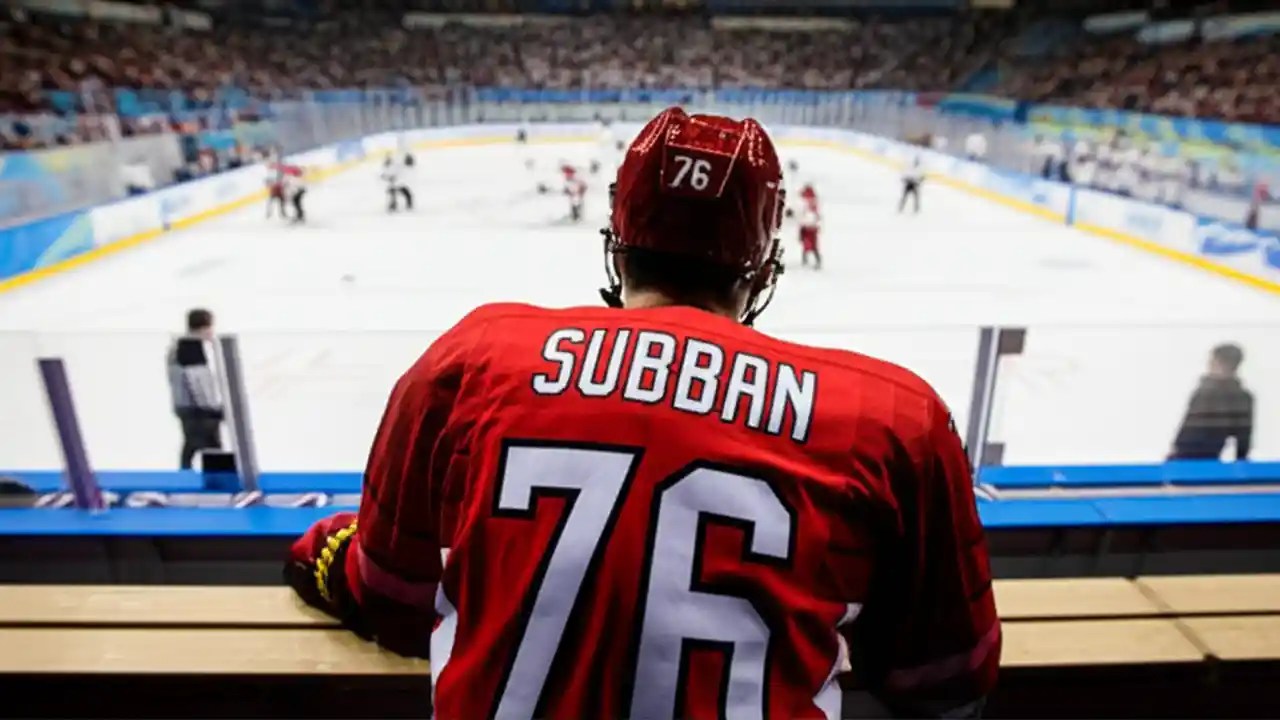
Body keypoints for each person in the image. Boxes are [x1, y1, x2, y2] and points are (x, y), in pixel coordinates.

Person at [285, 108, 999, 720]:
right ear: (763, 270)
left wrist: (315, 549)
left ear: (615, 245)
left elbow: (389, 593)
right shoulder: (893, 416)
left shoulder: (472, 360)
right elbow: (946, 676)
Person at [1170, 343, 1254, 461]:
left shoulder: (1211, 393)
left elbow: (1243, 438)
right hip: (1192, 457)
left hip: (1199, 458)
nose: (1209, 365)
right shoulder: (1206, 391)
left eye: (1213, 361)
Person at [166, 309, 224, 470]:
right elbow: (196, 381)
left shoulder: (181, 346)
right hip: (197, 409)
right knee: (209, 446)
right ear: (204, 327)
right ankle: (217, 482)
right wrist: (212, 407)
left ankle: (188, 476)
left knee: (192, 445)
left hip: (188, 406)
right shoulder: (190, 347)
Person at [797, 183, 823, 269]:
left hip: (807, 226)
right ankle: (813, 261)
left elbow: (803, 213)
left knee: (807, 245)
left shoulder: (806, 200)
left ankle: (806, 261)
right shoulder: (813, 200)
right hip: (812, 227)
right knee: (812, 245)